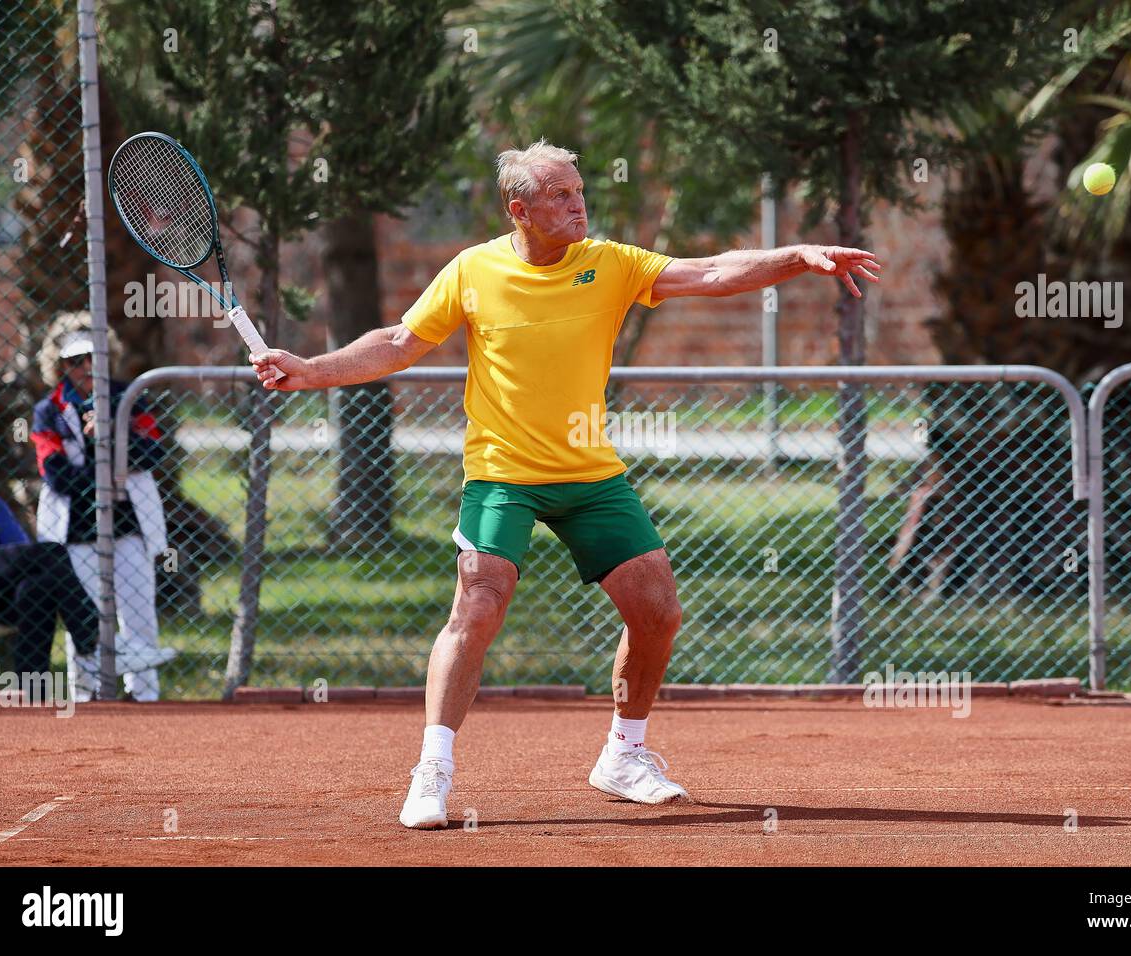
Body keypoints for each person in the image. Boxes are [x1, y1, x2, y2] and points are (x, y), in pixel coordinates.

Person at [250, 139, 881, 829]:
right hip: (503, 474)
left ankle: (623, 756)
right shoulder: (473, 270)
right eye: (559, 194)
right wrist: (312, 369)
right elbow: (401, 341)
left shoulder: (609, 263)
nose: (577, 201)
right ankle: (432, 771)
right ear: (519, 209)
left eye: (579, 189)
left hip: (590, 473)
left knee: (658, 610)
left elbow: (708, 272)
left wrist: (797, 257)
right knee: (480, 601)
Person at [31, 323, 176, 701]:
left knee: (138, 608)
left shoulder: (126, 398)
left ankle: (144, 693)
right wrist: (106, 467)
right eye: (75, 361)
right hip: (76, 526)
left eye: (92, 357)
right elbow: (55, 474)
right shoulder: (48, 411)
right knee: (84, 616)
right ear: (60, 365)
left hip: (127, 522)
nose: (86, 367)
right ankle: (87, 693)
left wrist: (111, 438)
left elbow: (154, 452)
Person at [0, 430, 102, 688]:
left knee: (37, 588)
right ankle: (94, 643)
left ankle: (33, 694)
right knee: (51, 553)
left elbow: (18, 548)